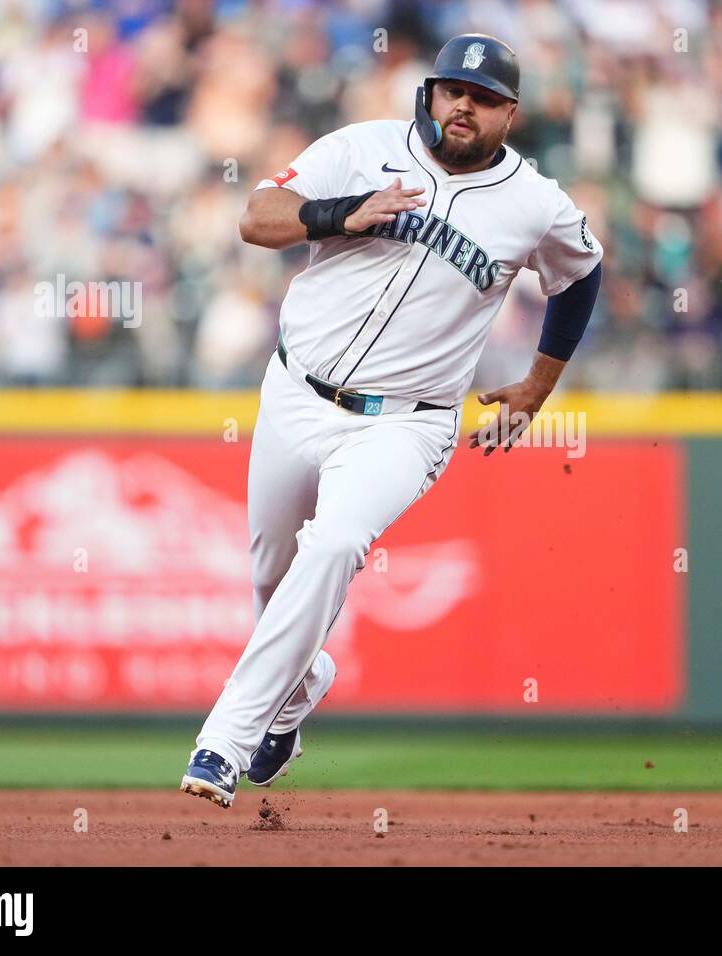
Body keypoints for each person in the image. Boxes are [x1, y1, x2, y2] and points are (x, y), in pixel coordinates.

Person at [181, 34, 604, 807]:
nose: (463, 105)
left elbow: (581, 273)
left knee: (336, 543)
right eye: (452, 90)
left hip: (407, 426)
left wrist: (539, 384)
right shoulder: (363, 147)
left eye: (481, 97)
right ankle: (299, 687)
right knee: (272, 579)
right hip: (296, 392)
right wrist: (343, 213)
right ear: (430, 93)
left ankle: (223, 743)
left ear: (510, 112)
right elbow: (256, 217)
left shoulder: (535, 202)